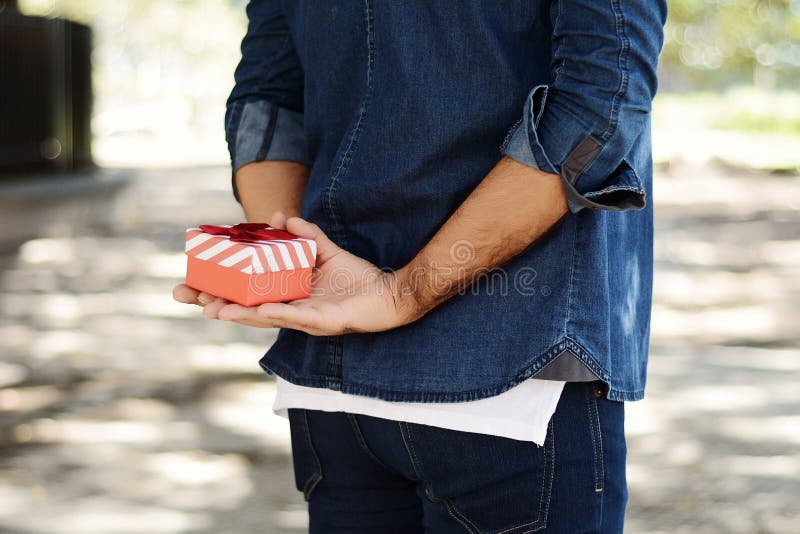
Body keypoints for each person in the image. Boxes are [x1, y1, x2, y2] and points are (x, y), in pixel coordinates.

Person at [174, 1, 667, 532]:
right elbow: (598, 107)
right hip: (513, 370)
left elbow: (265, 106)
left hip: (334, 372)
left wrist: (289, 268)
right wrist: (401, 294)